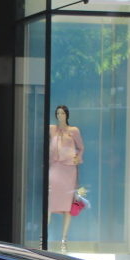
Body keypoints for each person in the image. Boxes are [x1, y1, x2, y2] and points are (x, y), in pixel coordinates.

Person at [48, 105, 84, 251]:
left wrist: (77, 158)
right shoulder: (52, 129)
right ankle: (43, 237)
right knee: (49, 203)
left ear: (67, 115)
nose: (60, 115)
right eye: (58, 113)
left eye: (62, 113)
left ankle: (64, 239)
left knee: (68, 205)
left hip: (68, 169)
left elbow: (81, 147)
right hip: (55, 167)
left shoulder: (73, 130)